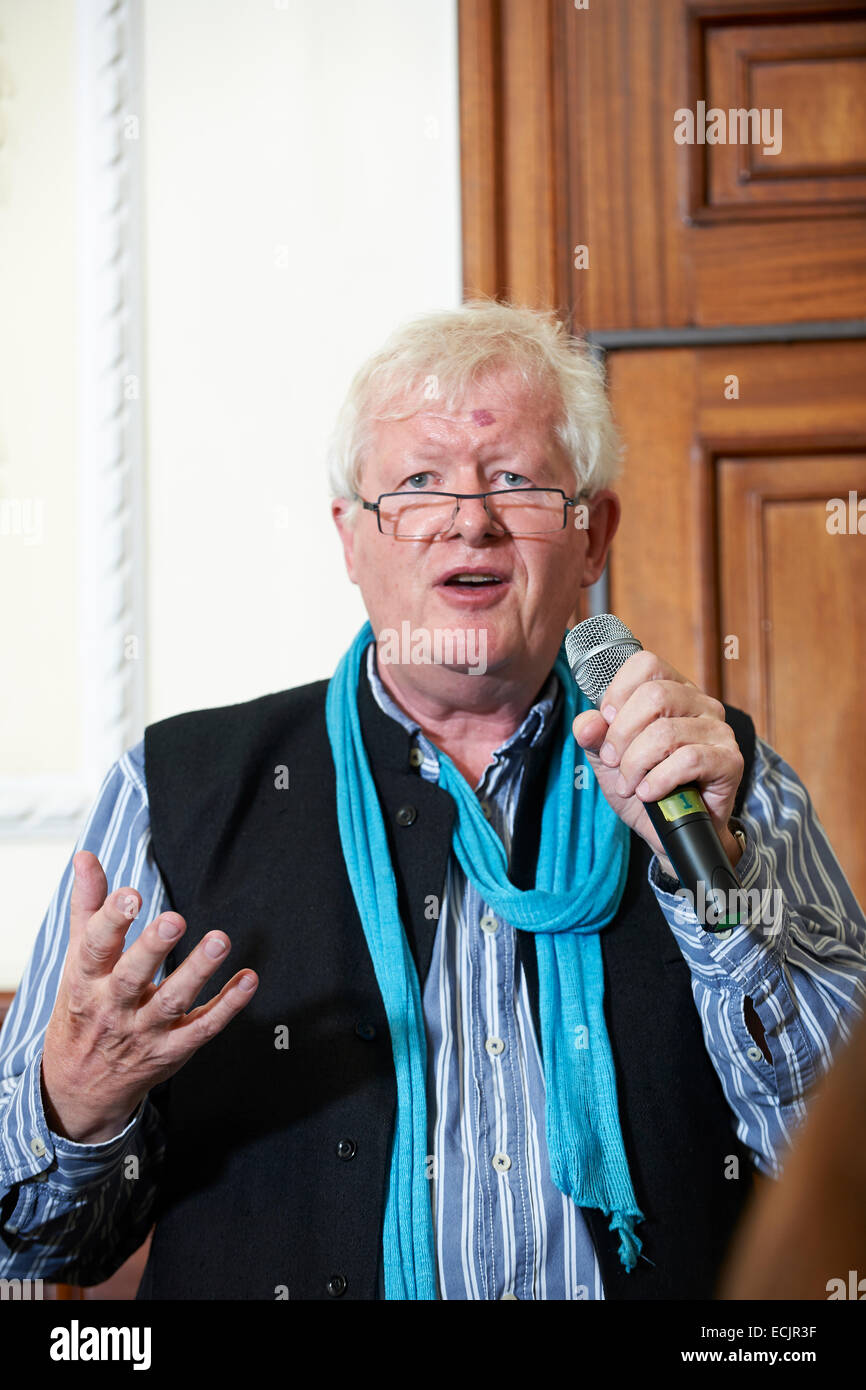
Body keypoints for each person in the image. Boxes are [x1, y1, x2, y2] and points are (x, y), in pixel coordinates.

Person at [1, 301, 864, 1301]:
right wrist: (75, 1101)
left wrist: (715, 892)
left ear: (593, 538)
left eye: (515, 480)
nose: (469, 518)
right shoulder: (174, 789)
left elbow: (838, 1173)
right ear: (350, 540)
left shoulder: (722, 778)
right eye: (417, 484)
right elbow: (37, 1246)